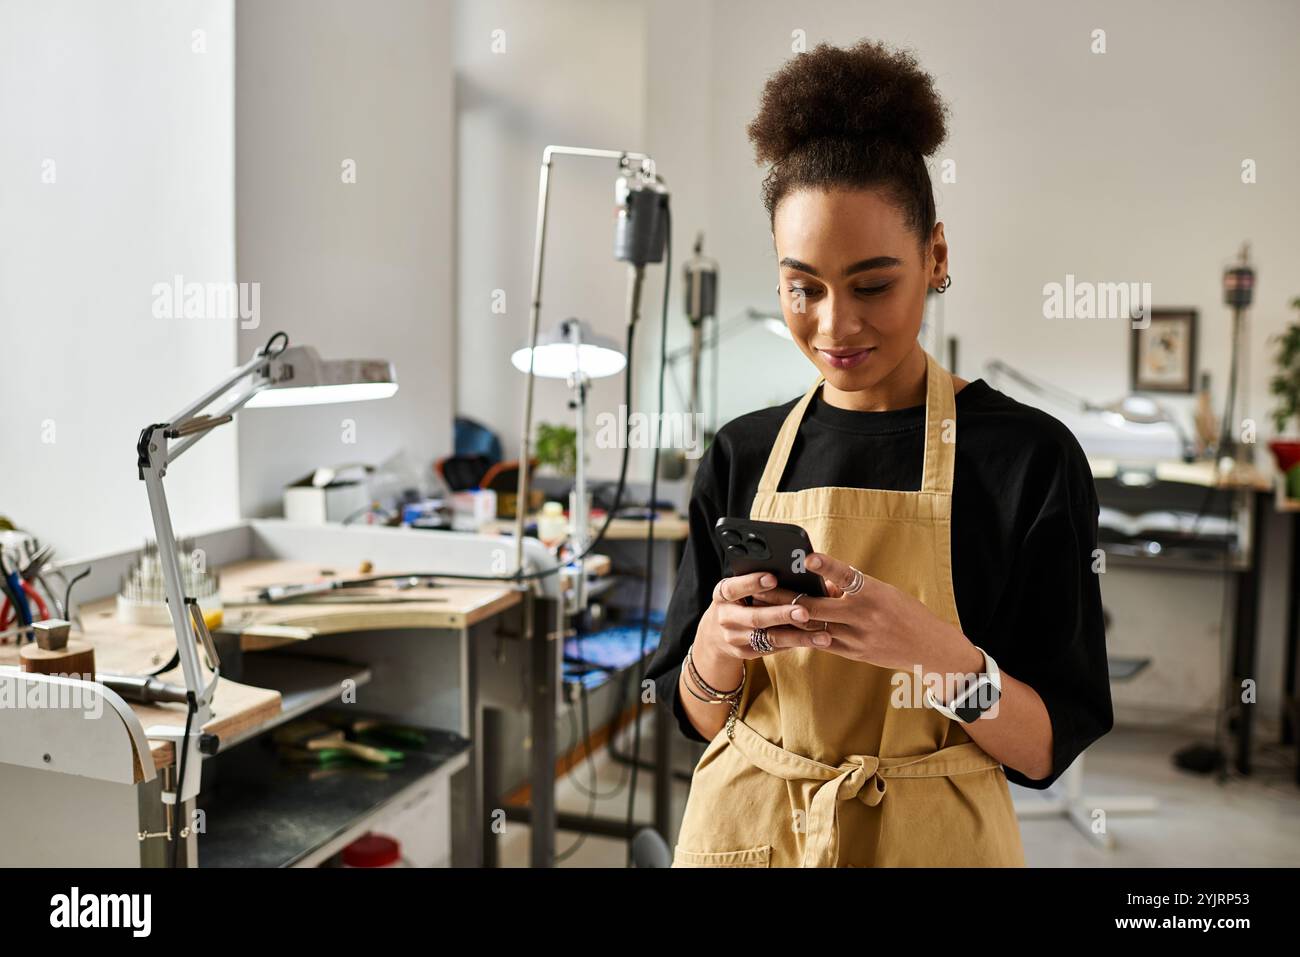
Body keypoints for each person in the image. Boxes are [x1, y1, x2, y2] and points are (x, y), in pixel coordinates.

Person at [645, 39, 1113, 868]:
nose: (834, 326)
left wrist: (936, 656)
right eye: (804, 287)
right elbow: (695, 716)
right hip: (751, 828)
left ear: (936, 257)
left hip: (932, 840)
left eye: (871, 285)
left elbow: (1043, 749)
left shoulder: (1028, 460)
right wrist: (717, 645)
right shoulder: (741, 451)